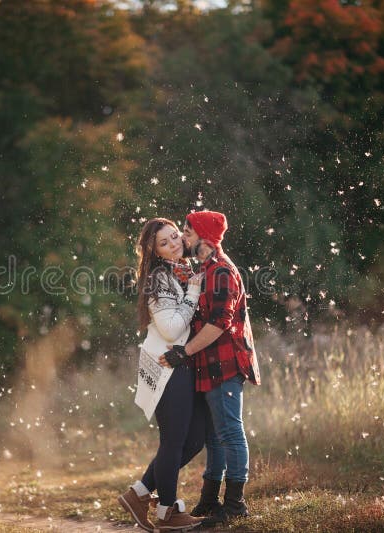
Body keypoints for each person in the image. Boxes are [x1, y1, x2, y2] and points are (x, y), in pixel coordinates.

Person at [161, 210, 261, 524]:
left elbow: (219, 324)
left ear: (203, 237)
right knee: (215, 437)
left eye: (186, 233)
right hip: (209, 366)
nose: (182, 239)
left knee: (230, 433)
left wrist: (184, 352)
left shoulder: (221, 271)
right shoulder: (204, 269)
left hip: (226, 365)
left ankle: (235, 505)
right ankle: (208, 500)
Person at [117, 217, 206, 532]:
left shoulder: (180, 270)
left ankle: (140, 492)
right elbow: (170, 328)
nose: (173, 244)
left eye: (175, 237)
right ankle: (167, 511)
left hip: (180, 365)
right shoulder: (159, 277)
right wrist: (193, 294)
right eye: (164, 243)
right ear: (154, 252)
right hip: (169, 365)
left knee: (195, 435)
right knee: (173, 440)